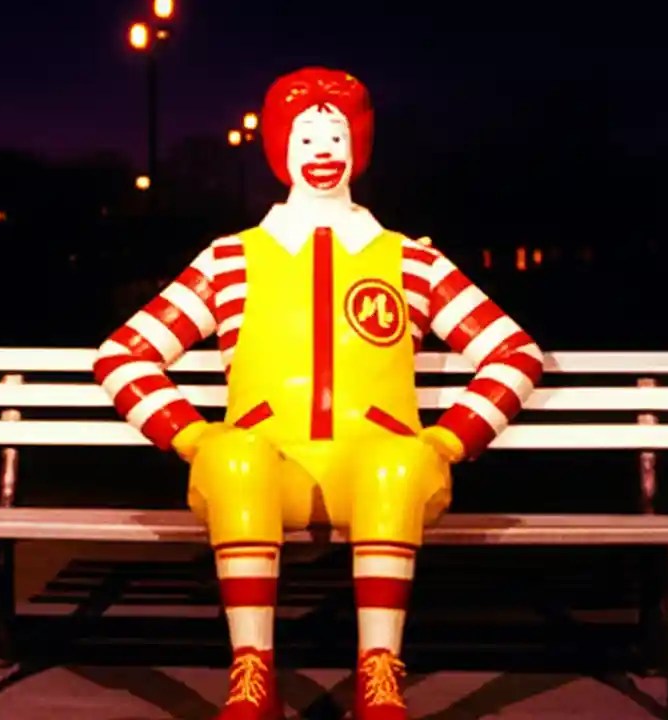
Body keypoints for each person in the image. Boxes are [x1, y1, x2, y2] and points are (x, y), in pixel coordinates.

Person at [94, 67, 543, 720]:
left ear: (360, 145)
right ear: (280, 151)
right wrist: (194, 434)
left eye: (336, 133)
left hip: (377, 471)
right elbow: (124, 355)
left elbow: (513, 353)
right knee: (234, 457)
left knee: (398, 461)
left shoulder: (411, 261)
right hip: (265, 473)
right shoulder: (230, 259)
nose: (323, 151)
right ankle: (252, 674)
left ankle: (379, 673)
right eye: (304, 137)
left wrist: (449, 438)